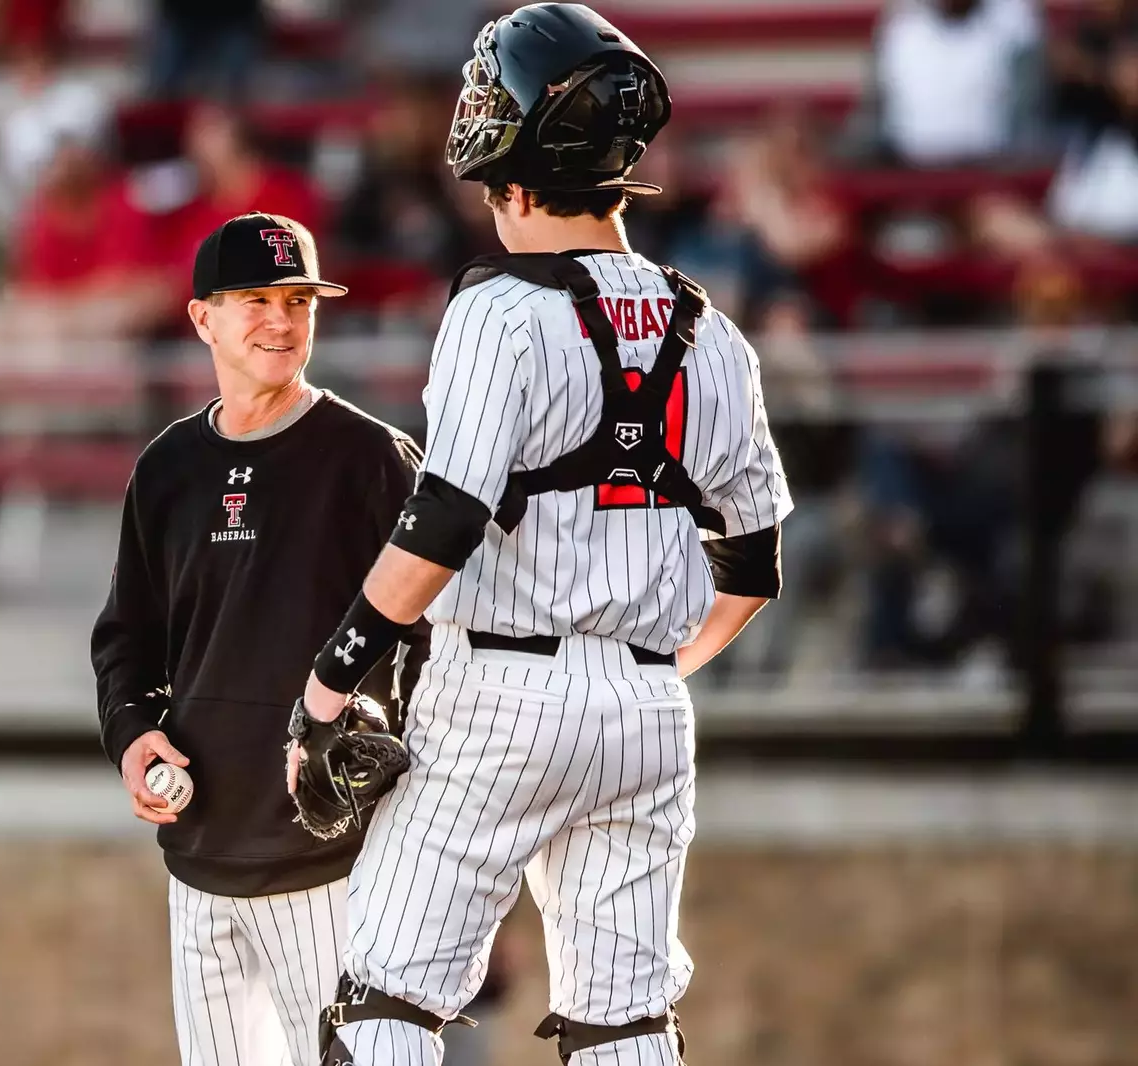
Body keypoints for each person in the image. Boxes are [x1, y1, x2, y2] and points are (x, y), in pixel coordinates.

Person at [281, 7, 793, 1065]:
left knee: (387, 998)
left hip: (500, 696)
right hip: (649, 707)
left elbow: (443, 519)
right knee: (623, 1019)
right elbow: (749, 563)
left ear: (504, 159)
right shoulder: (717, 331)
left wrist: (327, 688)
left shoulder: (495, 312)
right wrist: (648, 672)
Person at [90, 213, 427, 1066]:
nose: (281, 320)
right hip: (198, 856)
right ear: (203, 318)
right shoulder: (167, 467)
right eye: (255, 300)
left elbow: (440, 647)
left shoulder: (371, 458)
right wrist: (133, 737)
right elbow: (127, 638)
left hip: (334, 862)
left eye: (297, 300)